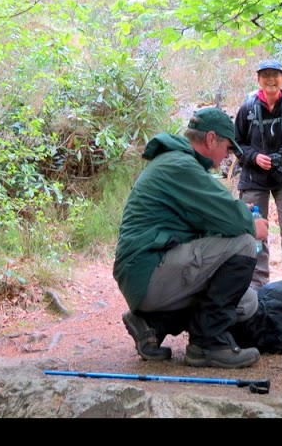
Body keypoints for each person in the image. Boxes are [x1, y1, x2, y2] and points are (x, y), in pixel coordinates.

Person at [113, 108, 267, 368]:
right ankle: (208, 344)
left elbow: (210, 224)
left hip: (148, 271)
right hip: (148, 270)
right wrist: (254, 225)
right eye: (227, 149)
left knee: (247, 301)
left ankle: (151, 325)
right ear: (210, 139)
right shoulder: (180, 165)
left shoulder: (178, 163)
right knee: (243, 242)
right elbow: (233, 219)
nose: (226, 158)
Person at [233, 59, 282, 288]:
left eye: (275, 75)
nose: (270, 79)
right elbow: (237, 143)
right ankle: (257, 282)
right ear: (258, 79)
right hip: (253, 177)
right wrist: (254, 157)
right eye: (265, 75)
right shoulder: (247, 108)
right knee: (255, 226)